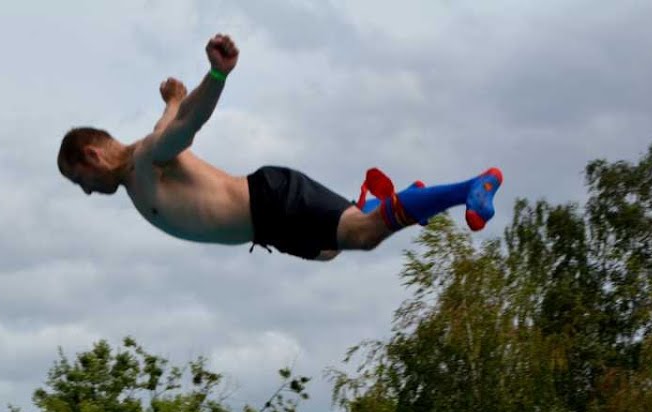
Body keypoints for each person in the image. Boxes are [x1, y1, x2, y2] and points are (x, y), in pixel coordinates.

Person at [57, 33, 503, 262]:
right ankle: (394, 202)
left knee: (363, 234)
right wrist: (173, 99)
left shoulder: (144, 160)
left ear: (92, 156)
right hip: (266, 228)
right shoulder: (143, 161)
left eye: (80, 180)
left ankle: (472, 187)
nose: (87, 191)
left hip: (269, 201)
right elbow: (171, 120)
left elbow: (185, 127)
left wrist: (216, 76)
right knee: (332, 251)